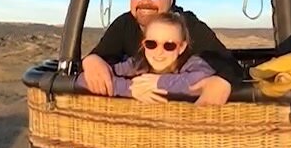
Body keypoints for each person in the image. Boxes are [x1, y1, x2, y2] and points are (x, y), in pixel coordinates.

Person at [78, 0, 243, 96]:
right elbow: (100, 64)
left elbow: (229, 66)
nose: (145, 0)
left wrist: (222, 83)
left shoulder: (187, 26)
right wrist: (91, 60)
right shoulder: (125, 24)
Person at [79, 10, 232, 106]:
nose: (159, 52)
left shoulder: (192, 64)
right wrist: (132, 89)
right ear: (143, 44)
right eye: (151, 44)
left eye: (169, 45)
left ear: (182, 47)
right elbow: (84, 80)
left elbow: (199, 80)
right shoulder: (137, 64)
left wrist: (158, 83)